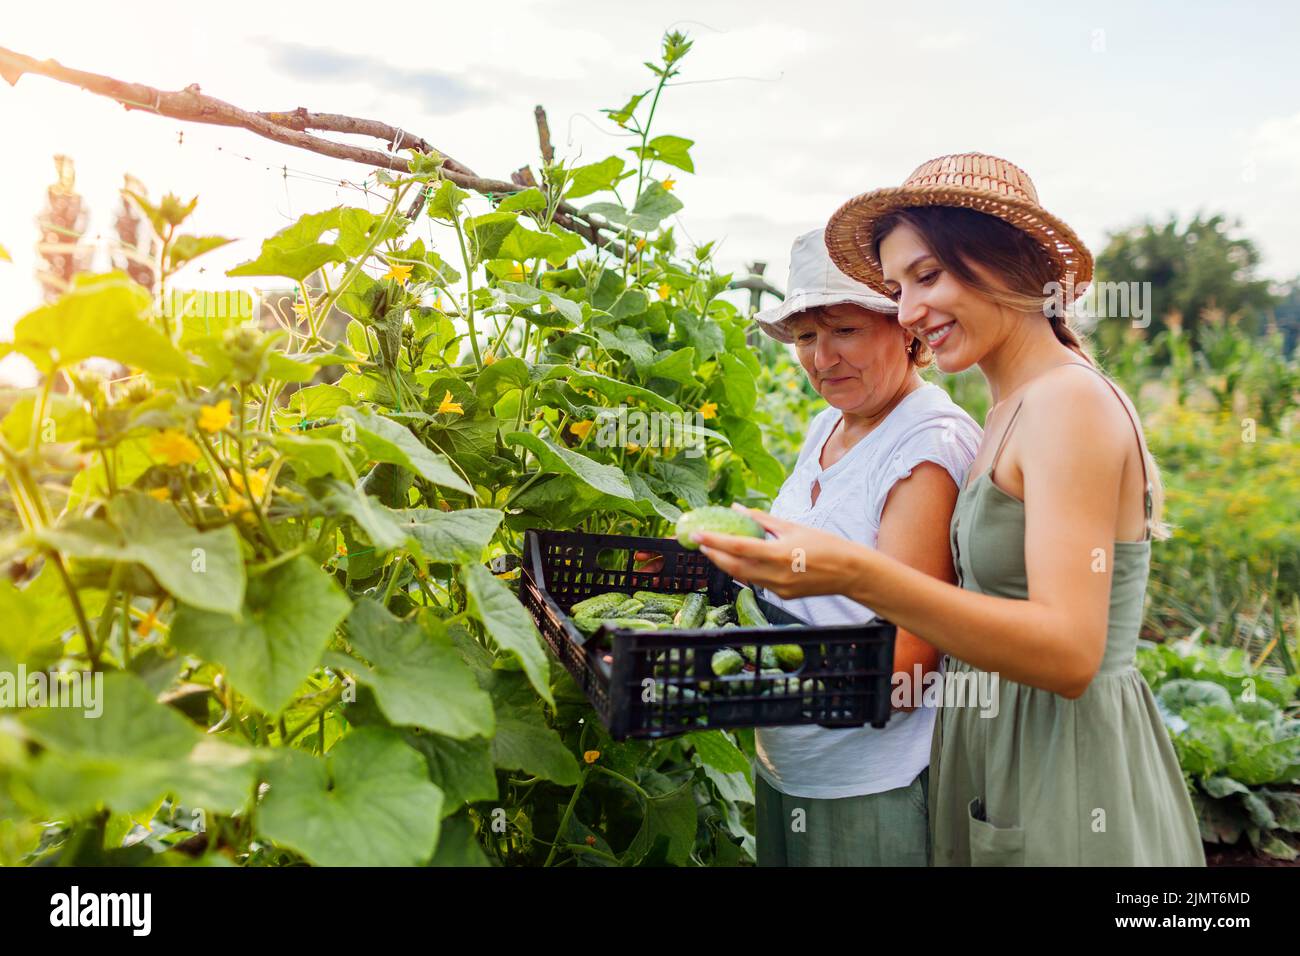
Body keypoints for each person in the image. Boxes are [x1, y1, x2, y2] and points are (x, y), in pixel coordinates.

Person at [694, 154, 1206, 866]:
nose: (908, 311)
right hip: (1004, 749)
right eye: (898, 287)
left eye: (928, 277)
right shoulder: (1009, 407)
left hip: (1064, 767)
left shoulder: (1068, 404)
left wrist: (855, 574)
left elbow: (1070, 652)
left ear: (1011, 262)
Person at [747, 228, 980, 866]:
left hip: (867, 786)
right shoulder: (828, 423)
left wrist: (746, 682)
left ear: (905, 327)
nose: (823, 359)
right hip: (788, 765)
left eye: (844, 329)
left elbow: (908, 660)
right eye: (805, 337)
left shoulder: (926, 446)